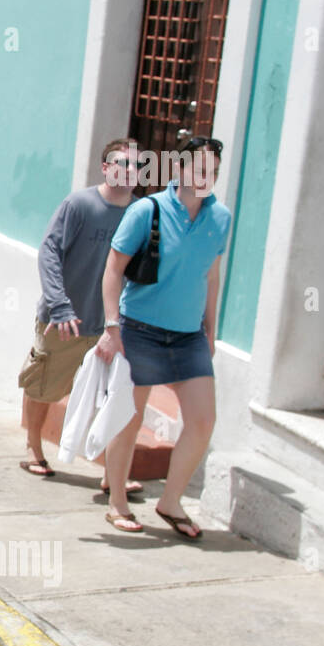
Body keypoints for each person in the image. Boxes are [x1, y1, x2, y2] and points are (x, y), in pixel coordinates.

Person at [97, 137, 232, 536]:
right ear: (180, 169)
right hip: (140, 329)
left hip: (189, 336)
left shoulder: (220, 218)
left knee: (203, 419)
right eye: (200, 169)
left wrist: (211, 330)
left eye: (214, 172)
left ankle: (171, 502)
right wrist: (111, 326)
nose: (207, 178)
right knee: (129, 419)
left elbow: (211, 276)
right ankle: (117, 501)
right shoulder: (147, 210)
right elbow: (112, 270)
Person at [18, 138, 143, 495]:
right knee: (45, 383)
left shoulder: (140, 213)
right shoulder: (79, 204)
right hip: (65, 319)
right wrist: (59, 305)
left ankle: (111, 472)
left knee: (113, 396)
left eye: (137, 165)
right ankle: (33, 446)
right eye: (122, 163)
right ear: (106, 167)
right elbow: (50, 252)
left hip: (112, 326)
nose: (129, 171)